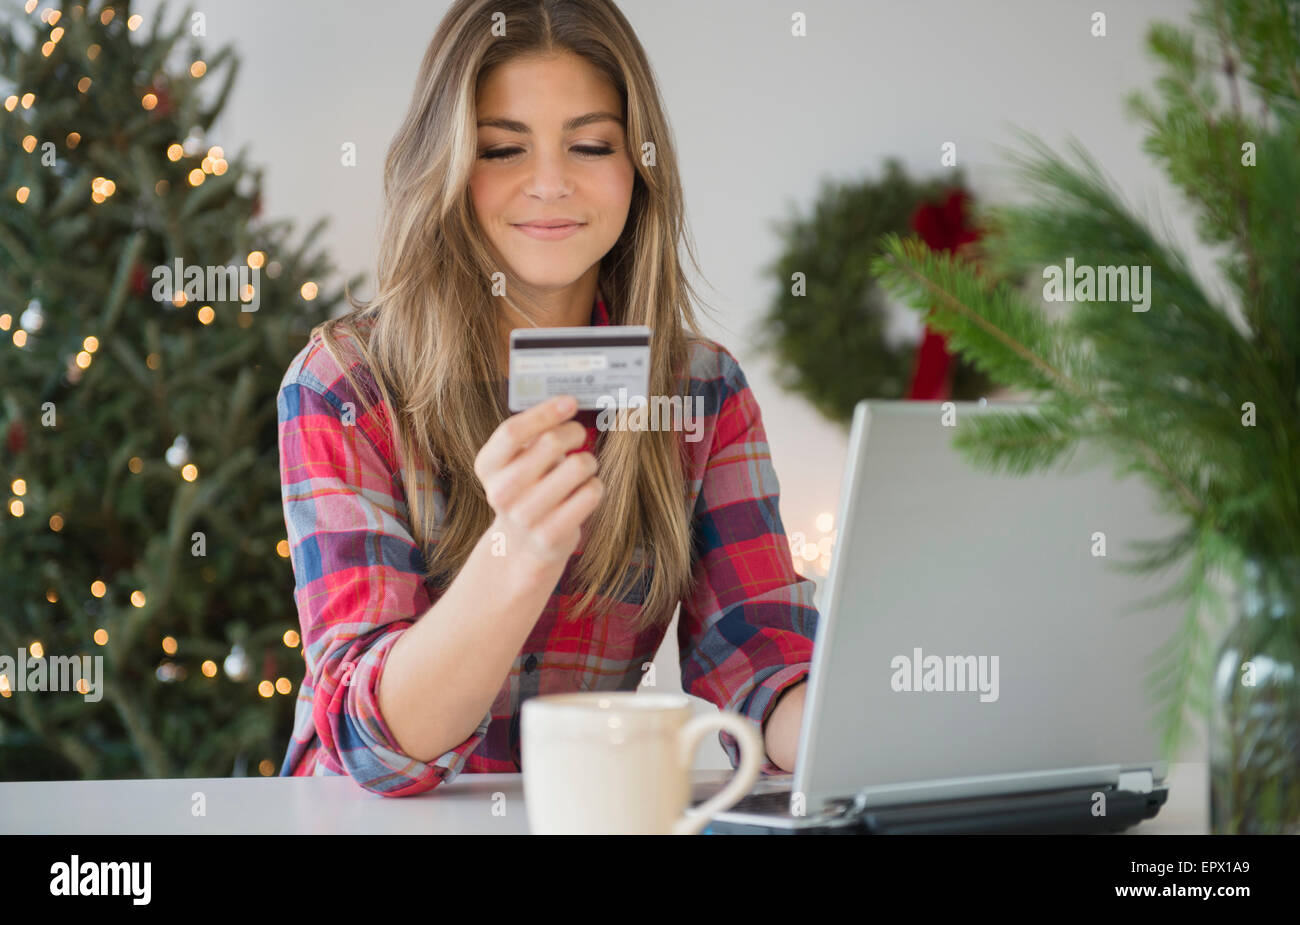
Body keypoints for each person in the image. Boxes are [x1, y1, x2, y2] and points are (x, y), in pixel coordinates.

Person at [276, 0, 818, 797]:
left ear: (639, 165)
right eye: (503, 149)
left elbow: (761, 666)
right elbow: (374, 747)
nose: (551, 184)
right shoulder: (346, 385)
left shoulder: (701, 392)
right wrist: (517, 553)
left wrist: (860, 722)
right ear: (449, 166)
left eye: (591, 144)